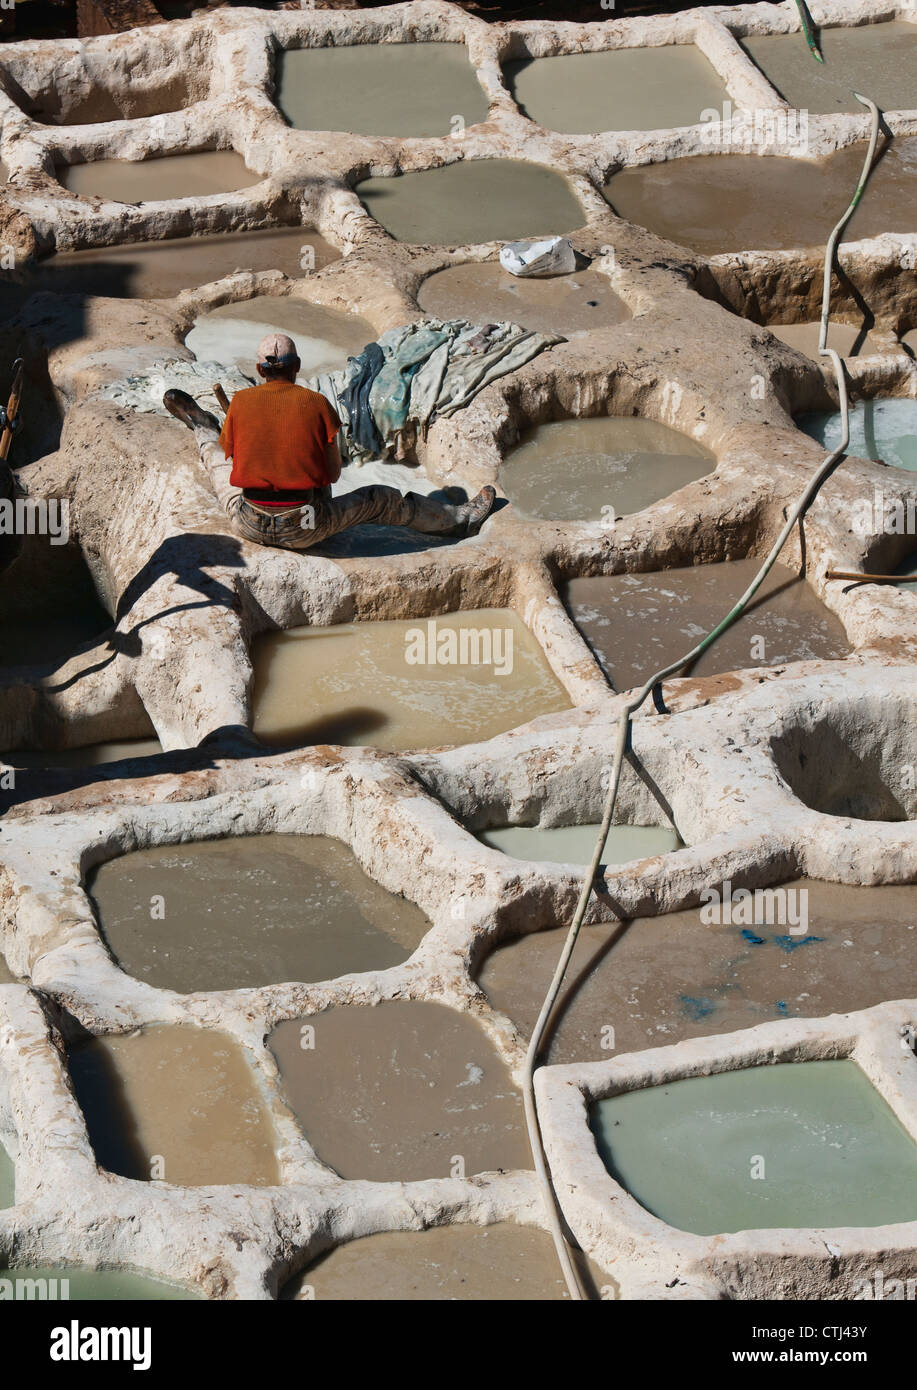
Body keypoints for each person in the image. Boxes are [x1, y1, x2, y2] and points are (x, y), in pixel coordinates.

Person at [163, 332, 496, 550]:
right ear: (298, 368)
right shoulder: (316, 403)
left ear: (259, 370)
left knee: (218, 463)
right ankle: (459, 521)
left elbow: (234, 457)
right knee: (381, 498)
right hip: (305, 526)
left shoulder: (241, 403)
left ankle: (202, 425)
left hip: (248, 522)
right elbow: (332, 474)